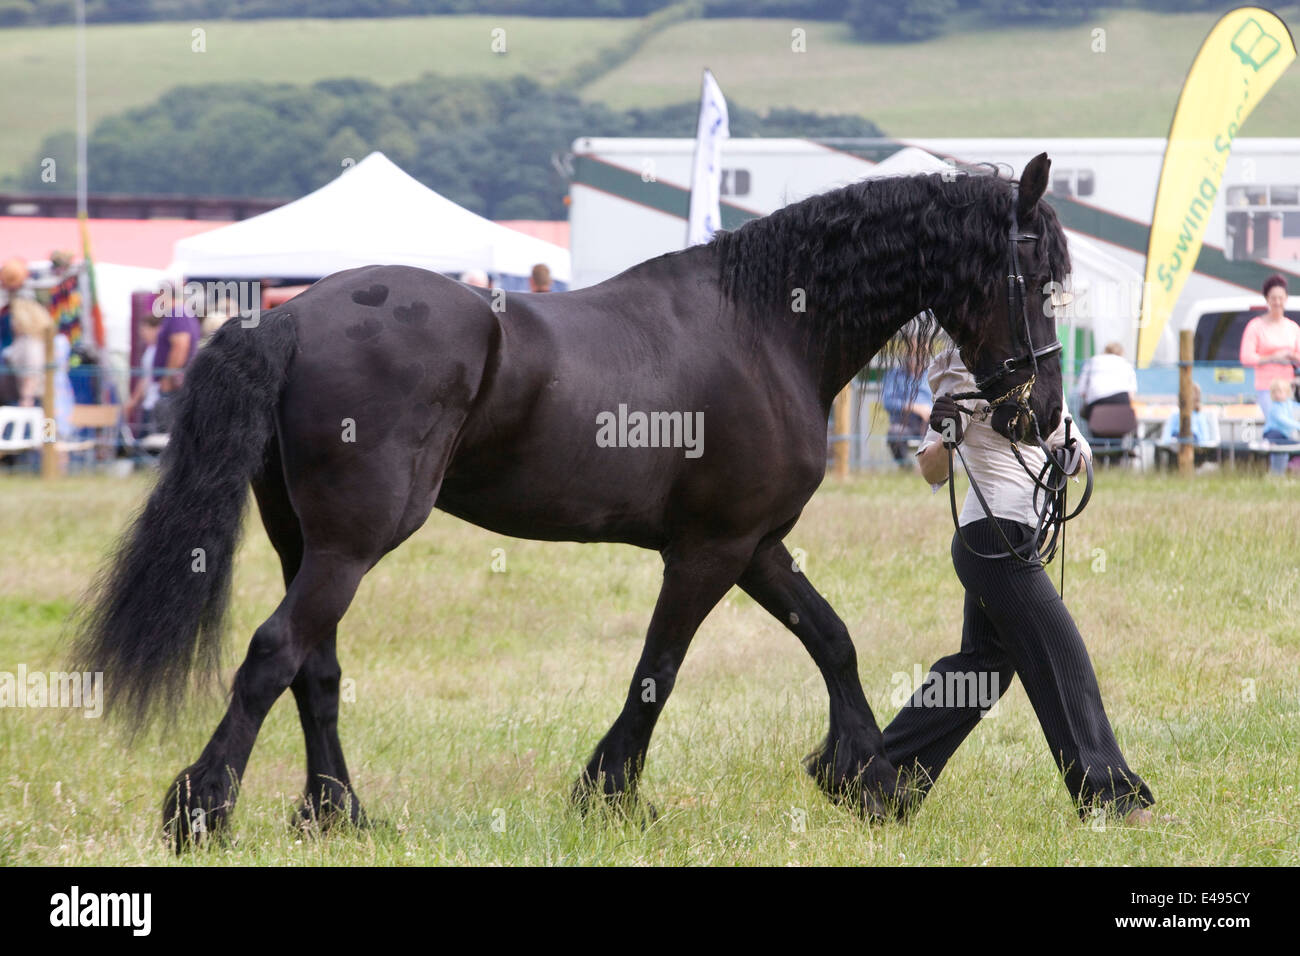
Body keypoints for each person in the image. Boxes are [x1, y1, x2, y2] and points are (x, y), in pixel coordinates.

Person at [883, 346, 1156, 827]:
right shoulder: (962, 367)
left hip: (1019, 539)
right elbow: (931, 469)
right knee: (1063, 657)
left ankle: (878, 776)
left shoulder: (1040, 362)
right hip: (992, 537)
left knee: (980, 673)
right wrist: (948, 434)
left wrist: (1070, 454)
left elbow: (1075, 449)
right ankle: (1113, 803)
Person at [1240, 274, 1300, 418]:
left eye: (1281, 298)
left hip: (1288, 387)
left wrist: (1291, 356)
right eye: (1273, 298)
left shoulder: (1292, 327)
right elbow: (1246, 357)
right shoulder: (1255, 326)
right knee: (1277, 422)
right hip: (1266, 387)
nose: (1277, 302)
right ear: (1267, 299)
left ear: (1286, 299)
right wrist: (1272, 357)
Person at [152, 280, 201, 432]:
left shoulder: (177, 313)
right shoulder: (182, 313)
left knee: (167, 431)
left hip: (173, 386)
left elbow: (180, 345)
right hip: (178, 382)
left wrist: (168, 377)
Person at [880, 342, 934, 466]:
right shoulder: (893, 375)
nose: (917, 358)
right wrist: (913, 407)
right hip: (904, 423)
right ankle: (905, 467)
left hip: (929, 423)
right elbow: (888, 402)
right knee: (895, 433)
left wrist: (930, 410)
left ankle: (934, 467)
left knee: (942, 431)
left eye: (920, 354)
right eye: (913, 354)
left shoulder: (932, 375)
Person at [1075, 341, 1137, 423]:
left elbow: (1081, 391)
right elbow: (1131, 395)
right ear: (1121, 352)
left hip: (1097, 404)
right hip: (1122, 403)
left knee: (1084, 413)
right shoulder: (1126, 363)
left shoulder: (1092, 361)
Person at [125, 314, 162, 435]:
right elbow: (145, 378)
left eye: (144, 329)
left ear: (156, 329)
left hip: (157, 402)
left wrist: (133, 401)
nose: (142, 334)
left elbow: (146, 378)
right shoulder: (150, 349)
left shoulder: (159, 350)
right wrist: (133, 401)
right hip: (150, 401)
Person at [1261, 377, 1300, 475]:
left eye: (1280, 392)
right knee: (1277, 442)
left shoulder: (1289, 404)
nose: (1277, 395)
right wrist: (1298, 425)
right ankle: (1267, 442)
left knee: (1283, 455)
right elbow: (1283, 420)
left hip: (1284, 436)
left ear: (1287, 393)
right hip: (1272, 434)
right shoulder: (1275, 408)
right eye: (1274, 392)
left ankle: (1280, 473)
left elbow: (1297, 407)